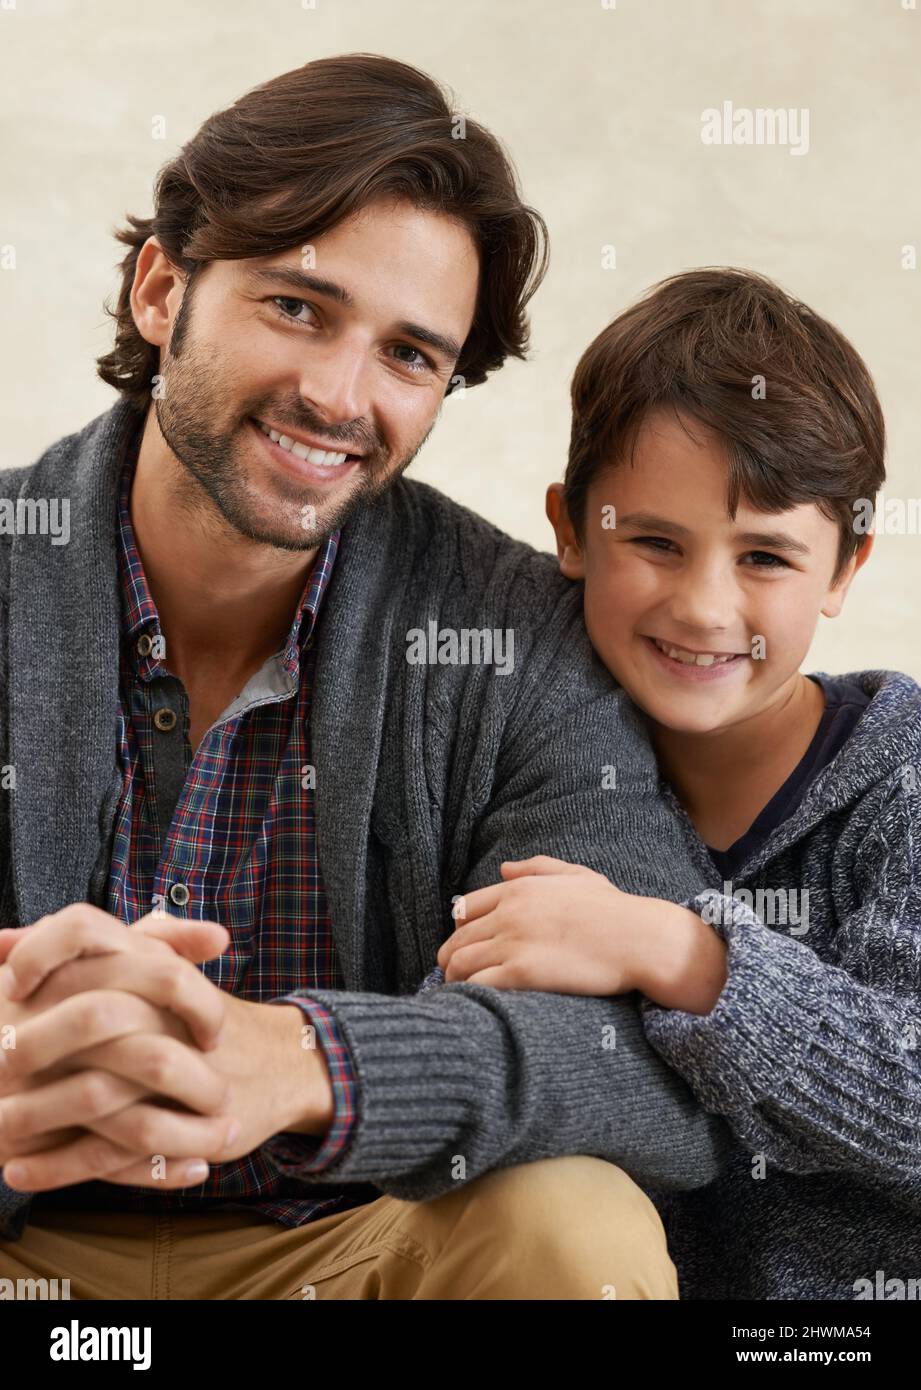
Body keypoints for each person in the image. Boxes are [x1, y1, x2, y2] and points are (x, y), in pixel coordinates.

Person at [0, 55, 731, 1300]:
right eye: (297, 306)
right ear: (163, 288)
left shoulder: (514, 634)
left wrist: (300, 1061)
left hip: (343, 1256)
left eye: (407, 353)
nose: (339, 396)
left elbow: (653, 1062)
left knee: (575, 1227)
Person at [434, 266, 921, 1299]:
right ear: (570, 528)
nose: (704, 608)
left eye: (766, 558)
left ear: (844, 568)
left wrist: (681, 950)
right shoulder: (523, 752)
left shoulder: (902, 784)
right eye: (655, 542)